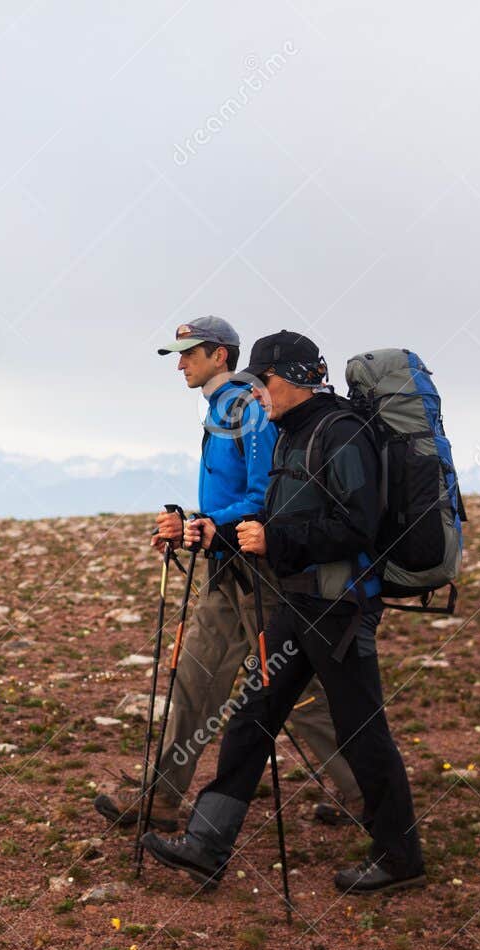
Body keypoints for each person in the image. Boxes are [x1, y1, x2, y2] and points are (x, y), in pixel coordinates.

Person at [140, 330, 426, 895]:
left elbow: (355, 528)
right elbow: (266, 518)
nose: (258, 395)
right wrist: (204, 531)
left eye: (264, 383)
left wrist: (275, 542)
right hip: (299, 605)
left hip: (342, 609)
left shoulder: (341, 434)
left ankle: (401, 857)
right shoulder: (292, 434)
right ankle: (206, 846)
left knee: (361, 730)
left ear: (292, 378)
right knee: (249, 720)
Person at [94, 316, 365, 835]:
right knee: (196, 677)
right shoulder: (224, 408)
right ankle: (163, 796)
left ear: (221, 355)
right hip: (228, 567)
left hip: (259, 573)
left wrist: (206, 524)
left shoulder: (245, 407)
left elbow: (264, 497)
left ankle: (365, 793)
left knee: (293, 690)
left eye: (190, 354)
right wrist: (192, 523)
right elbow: (234, 498)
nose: (180, 364)